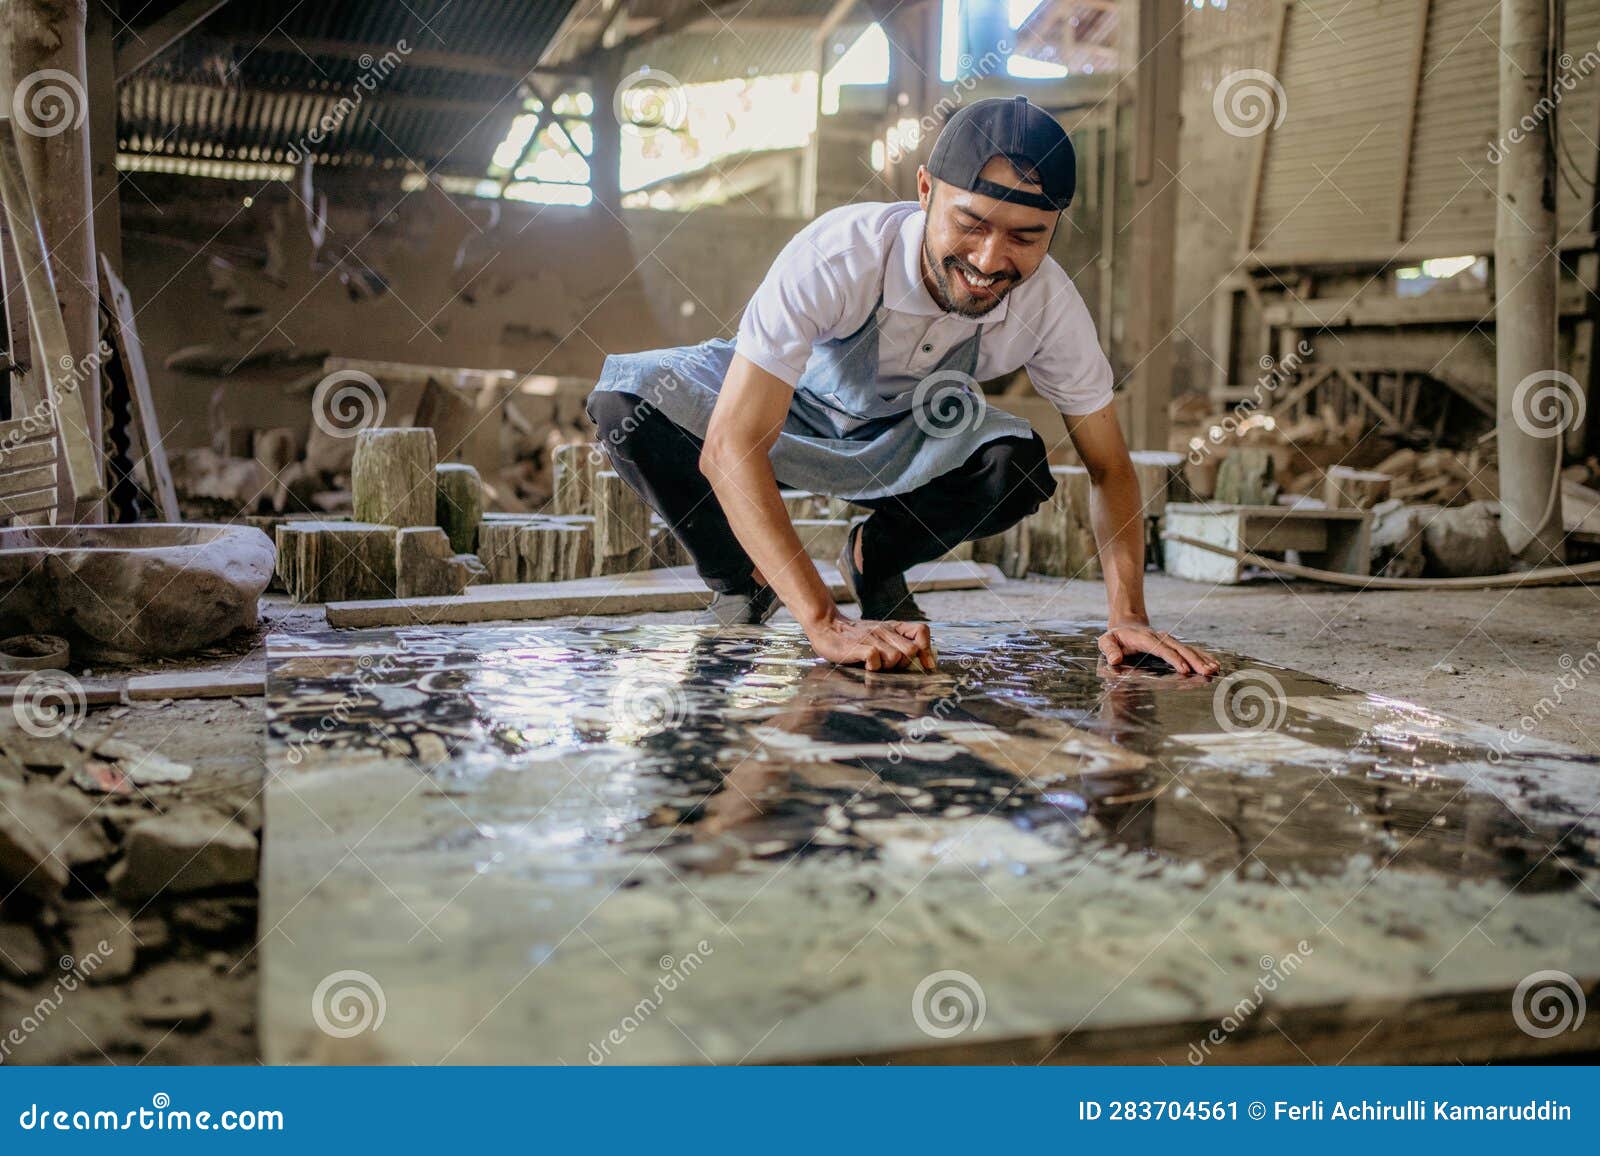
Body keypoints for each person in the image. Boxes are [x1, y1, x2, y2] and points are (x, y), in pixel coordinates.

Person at [588, 96, 1217, 678]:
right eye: (970, 223)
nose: (991, 259)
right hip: (786, 409)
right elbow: (732, 444)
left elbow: (1110, 468)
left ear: (1054, 229)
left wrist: (1129, 615)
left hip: (911, 431)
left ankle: (876, 559)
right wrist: (823, 623)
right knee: (629, 406)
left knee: (1015, 464)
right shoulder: (839, 256)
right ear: (924, 191)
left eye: (1026, 237)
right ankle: (741, 578)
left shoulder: (1050, 307)